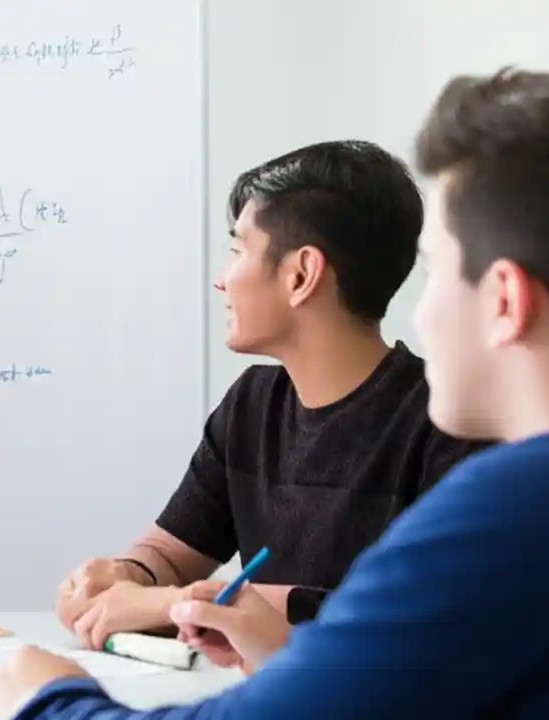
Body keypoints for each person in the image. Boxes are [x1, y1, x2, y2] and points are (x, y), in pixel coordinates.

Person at [0, 66, 549, 718]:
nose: (422, 311)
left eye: (437, 271)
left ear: (505, 300)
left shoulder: (517, 506)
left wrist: (45, 698)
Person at [56, 140, 484, 650]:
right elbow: (171, 552)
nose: (222, 280)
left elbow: (384, 613)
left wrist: (169, 604)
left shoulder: (448, 423)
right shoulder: (252, 405)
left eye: (237, 250)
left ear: (302, 275)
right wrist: (123, 577)